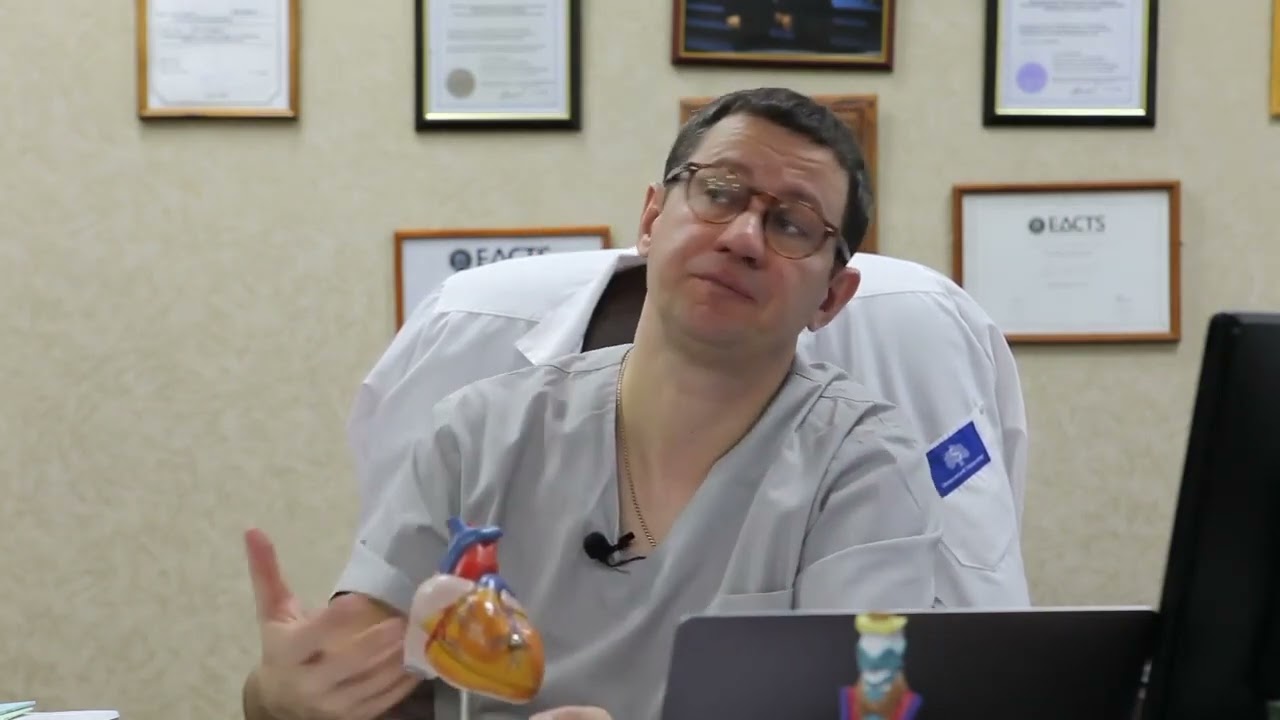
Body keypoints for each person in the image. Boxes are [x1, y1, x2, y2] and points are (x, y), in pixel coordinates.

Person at [242, 87, 945, 720]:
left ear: (831, 298)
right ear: (651, 219)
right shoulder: (480, 434)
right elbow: (348, 674)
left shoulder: (863, 469)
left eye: (792, 225)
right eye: (719, 192)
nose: (741, 238)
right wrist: (278, 698)